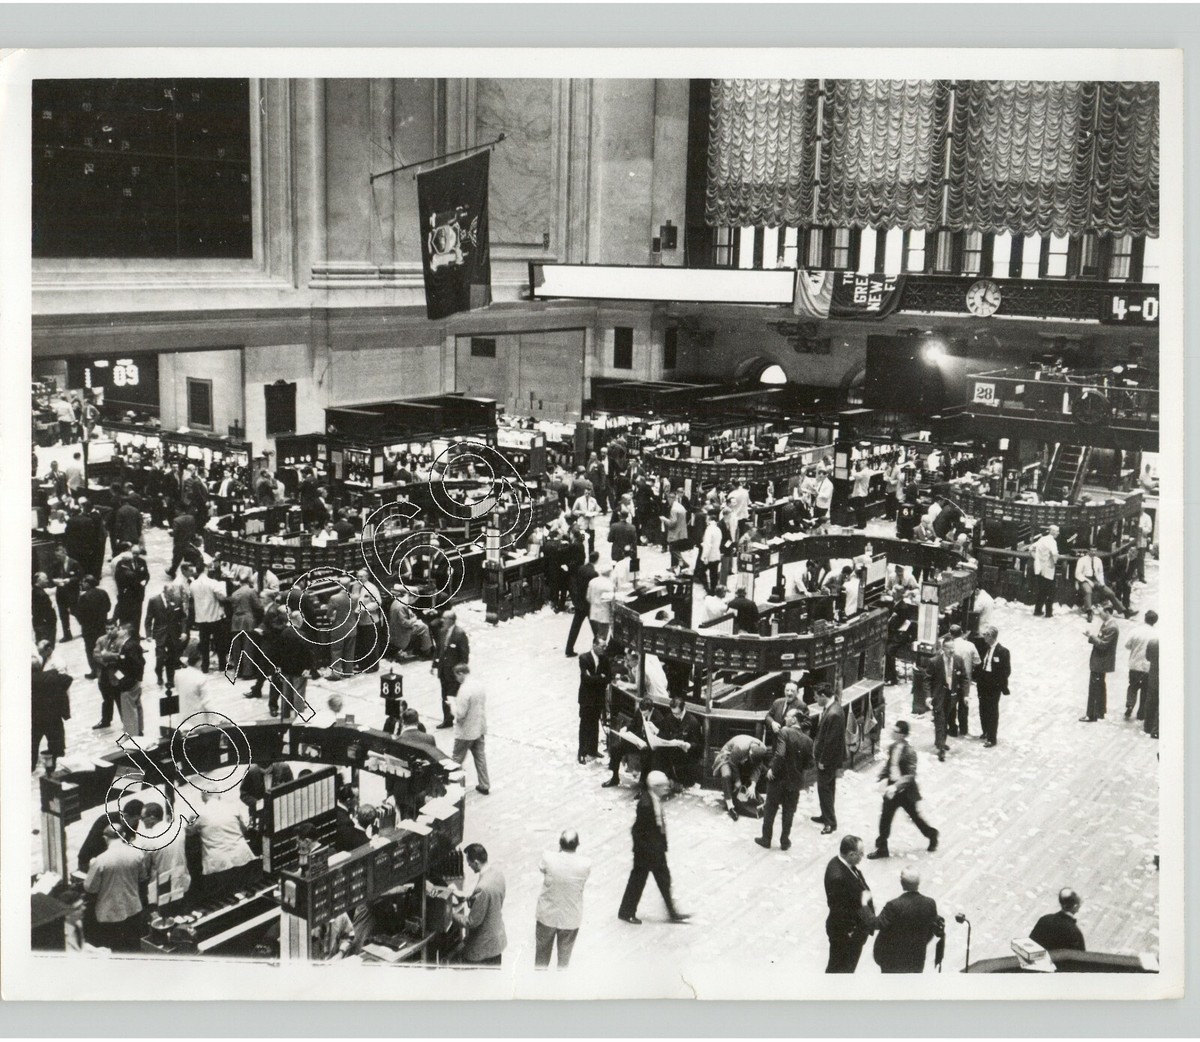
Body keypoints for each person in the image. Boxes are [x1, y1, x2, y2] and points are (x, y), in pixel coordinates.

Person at [617, 771, 689, 925]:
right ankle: (627, 912)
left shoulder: (653, 799)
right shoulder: (645, 804)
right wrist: (649, 850)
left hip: (654, 849)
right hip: (647, 851)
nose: (667, 787)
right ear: (655, 786)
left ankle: (671, 912)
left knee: (661, 879)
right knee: (639, 881)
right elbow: (639, 830)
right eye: (663, 785)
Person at [867, 721, 939, 859]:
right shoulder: (893, 747)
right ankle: (882, 847)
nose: (893, 733)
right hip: (892, 789)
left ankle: (931, 834)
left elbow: (910, 775)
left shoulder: (910, 752)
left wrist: (896, 786)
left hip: (905, 792)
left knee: (915, 817)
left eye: (896, 731)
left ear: (902, 735)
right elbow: (890, 765)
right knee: (885, 818)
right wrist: (880, 778)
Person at [754, 708, 814, 851]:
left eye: (787, 716)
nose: (785, 719)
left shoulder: (785, 732)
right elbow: (809, 764)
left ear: (794, 719)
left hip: (778, 779)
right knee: (789, 811)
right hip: (795, 781)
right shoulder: (809, 740)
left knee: (770, 809)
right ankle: (785, 841)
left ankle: (766, 838)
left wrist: (772, 770)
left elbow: (780, 754)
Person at [534, 830, 592, 970]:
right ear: (577, 844)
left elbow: (542, 868)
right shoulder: (585, 864)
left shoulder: (548, 858)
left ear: (560, 843)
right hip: (570, 917)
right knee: (564, 960)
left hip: (547, 915)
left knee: (541, 957)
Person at [83, 826, 146, 951]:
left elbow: (90, 888)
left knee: (114, 949)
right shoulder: (137, 853)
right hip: (133, 908)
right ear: (122, 834)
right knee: (134, 946)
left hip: (110, 913)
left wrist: (91, 868)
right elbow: (142, 877)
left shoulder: (100, 860)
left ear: (105, 838)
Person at [871, 868, 944, 973]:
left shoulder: (893, 905)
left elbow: (875, 924)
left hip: (892, 959)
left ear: (902, 883)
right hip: (916, 958)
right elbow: (931, 929)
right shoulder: (930, 903)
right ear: (918, 883)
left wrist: (864, 906)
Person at [188, 791, 257, 901]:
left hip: (218, 862)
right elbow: (244, 829)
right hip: (241, 856)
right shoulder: (233, 807)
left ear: (203, 797)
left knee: (222, 895)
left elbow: (189, 832)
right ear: (219, 795)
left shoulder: (197, 813)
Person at [824, 834, 876, 973]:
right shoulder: (838, 878)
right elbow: (840, 911)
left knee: (839, 967)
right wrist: (853, 932)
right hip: (846, 935)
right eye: (861, 854)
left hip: (850, 932)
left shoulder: (841, 863)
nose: (863, 856)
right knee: (842, 968)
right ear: (851, 854)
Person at [455, 843, 507, 967]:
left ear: (476, 862)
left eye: (470, 863)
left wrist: (450, 913)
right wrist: (469, 898)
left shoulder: (482, 888)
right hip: (497, 942)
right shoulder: (498, 874)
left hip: (483, 948)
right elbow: (493, 900)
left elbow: (471, 922)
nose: (468, 865)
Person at [138, 803, 192, 913]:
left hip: (162, 886)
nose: (141, 821)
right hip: (182, 878)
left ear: (152, 818)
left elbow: (145, 869)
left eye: (143, 818)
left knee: (165, 917)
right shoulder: (178, 829)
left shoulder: (148, 840)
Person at [813, 684, 847, 834]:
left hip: (828, 760)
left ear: (823, 696)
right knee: (828, 787)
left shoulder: (833, 713)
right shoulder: (834, 707)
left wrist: (823, 761)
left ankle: (830, 823)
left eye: (816, 696)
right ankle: (826, 815)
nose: (815, 699)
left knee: (824, 789)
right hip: (830, 758)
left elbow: (831, 741)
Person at [712, 733, 770, 821]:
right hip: (728, 756)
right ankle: (730, 805)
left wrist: (753, 785)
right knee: (726, 774)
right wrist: (737, 780)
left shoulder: (763, 748)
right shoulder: (740, 747)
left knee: (763, 772)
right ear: (750, 752)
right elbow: (732, 763)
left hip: (741, 758)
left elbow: (758, 766)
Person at [451, 663, 490, 795]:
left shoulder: (464, 689)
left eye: (456, 676)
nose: (456, 679)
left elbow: (461, 714)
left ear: (461, 674)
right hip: (479, 728)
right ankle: (484, 784)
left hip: (465, 732)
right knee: (480, 758)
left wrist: (452, 706)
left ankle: (455, 788)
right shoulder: (479, 685)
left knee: (456, 759)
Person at [31, 651, 71, 773]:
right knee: (56, 745)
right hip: (52, 717)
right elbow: (68, 679)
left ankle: (31, 765)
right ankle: (53, 768)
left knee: (32, 745)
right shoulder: (52, 675)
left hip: (34, 720)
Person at [144, 585, 188, 692]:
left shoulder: (177, 600)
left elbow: (183, 618)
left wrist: (183, 632)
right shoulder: (154, 600)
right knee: (160, 658)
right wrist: (148, 634)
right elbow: (149, 618)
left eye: (173, 592)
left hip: (173, 634)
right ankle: (159, 673)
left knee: (172, 658)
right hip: (160, 634)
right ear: (164, 591)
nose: (172, 595)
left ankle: (170, 680)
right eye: (170, 593)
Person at [973, 625, 1011, 747]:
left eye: (986, 635)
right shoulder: (984, 647)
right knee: (982, 707)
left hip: (994, 683)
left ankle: (992, 737)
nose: (984, 636)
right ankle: (985, 730)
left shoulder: (1003, 651)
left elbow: (1006, 670)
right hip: (983, 680)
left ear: (991, 637)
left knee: (992, 710)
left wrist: (998, 683)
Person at [1080, 603, 1119, 723]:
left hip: (1101, 661)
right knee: (1100, 686)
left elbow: (1103, 645)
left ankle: (1092, 714)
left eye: (1101, 613)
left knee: (1094, 688)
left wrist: (1091, 636)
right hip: (1101, 661)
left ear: (1107, 613)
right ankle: (1100, 711)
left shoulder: (1112, 627)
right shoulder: (1108, 624)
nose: (1100, 615)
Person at [189, 563, 229, 674]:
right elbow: (222, 597)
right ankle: (222, 664)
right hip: (214, 616)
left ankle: (205, 666)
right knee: (219, 641)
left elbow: (192, 597)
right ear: (206, 569)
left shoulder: (193, 585)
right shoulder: (213, 583)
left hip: (201, 617)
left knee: (204, 643)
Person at [434, 610, 470, 728]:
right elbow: (439, 649)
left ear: (451, 620)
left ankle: (460, 718)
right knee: (445, 696)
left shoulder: (459, 634)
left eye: (445, 618)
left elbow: (464, 654)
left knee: (454, 696)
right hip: (443, 670)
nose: (442, 620)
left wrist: (461, 672)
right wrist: (434, 664)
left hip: (454, 672)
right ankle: (447, 720)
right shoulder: (442, 631)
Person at [657, 697, 704, 789]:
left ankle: (676, 780)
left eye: (677, 714)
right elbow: (664, 733)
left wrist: (688, 745)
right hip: (671, 747)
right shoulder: (669, 717)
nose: (675, 716)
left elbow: (698, 744)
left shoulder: (693, 722)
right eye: (673, 713)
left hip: (687, 752)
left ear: (683, 709)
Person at [577, 638, 611, 764]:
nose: (604, 649)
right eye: (602, 646)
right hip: (586, 698)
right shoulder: (584, 658)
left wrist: (596, 678)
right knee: (585, 724)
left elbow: (608, 678)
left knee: (595, 723)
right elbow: (586, 679)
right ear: (594, 645)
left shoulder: (605, 659)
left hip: (598, 698)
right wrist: (600, 678)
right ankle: (582, 752)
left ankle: (592, 749)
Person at [1074, 545, 1131, 621]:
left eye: (1095, 550)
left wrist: (1102, 582)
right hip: (1085, 579)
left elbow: (1100, 573)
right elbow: (1078, 574)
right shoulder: (1082, 560)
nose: (1093, 552)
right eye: (1091, 550)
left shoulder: (1098, 560)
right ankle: (1089, 612)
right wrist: (1088, 581)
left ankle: (1124, 611)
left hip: (1096, 580)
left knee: (1110, 593)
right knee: (1088, 591)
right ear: (1088, 551)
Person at [946, 624, 980, 738]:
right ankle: (964, 728)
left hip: (952, 678)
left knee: (952, 703)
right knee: (964, 702)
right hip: (966, 678)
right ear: (961, 633)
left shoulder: (949, 646)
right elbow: (977, 661)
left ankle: (953, 728)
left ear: (951, 634)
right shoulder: (970, 645)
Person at [74, 574, 111, 679]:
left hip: (89, 629)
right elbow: (108, 607)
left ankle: (95, 671)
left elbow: (80, 615)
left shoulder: (83, 597)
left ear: (88, 583)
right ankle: (106, 668)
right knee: (104, 647)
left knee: (91, 650)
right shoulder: (103, 592)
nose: (82, 584)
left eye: (84, 582)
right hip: (102, 626)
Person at [565, 551, 600, 657]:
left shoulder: (581, 568)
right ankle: (598, 649)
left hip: (579, 602)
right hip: (588, 604)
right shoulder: (594, 573)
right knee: (596, 628)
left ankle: (569, 649)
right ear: (597, 560)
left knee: (575, 627)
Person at [112, 543, 150, 637]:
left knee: (137, 617)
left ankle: (136, 636)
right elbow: (123, 579)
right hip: (127, 596)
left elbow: (146, 574)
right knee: (126, 618)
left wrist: (145, 581)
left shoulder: (142, 562)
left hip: (139, 595)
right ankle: (127, 638)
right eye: (134, 553)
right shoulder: (122, 564)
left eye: (137, 553)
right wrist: (138, 582)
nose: (135, 556)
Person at [48, 544, 83, 643]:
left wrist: (70, 580)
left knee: (75, 611)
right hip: (61, 592)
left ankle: (85, 627)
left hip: (72, 592)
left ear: (64, 553)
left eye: (59, 556)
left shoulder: (74, 563)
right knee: (63, 614)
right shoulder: (56, 564)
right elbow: (52, 576)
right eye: (57, 556)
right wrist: (55, 581)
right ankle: (67, 634)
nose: (58, 558)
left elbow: (80, 576)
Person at [387, 589, 433, 660]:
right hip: (401, 631)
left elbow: (405, 614)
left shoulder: (398, 600)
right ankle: (427, 652)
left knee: (421, 626)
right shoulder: (402, 606)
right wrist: (414, 619)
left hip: (395, 628)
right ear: (412, 597)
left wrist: (411, 616)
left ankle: (422, 649)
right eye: (415, 600)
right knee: (424, 627)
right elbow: (405, 623)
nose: (414, 602)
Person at [1032, 525, 1061, 617]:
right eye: (1057, 531)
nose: (1058, 533)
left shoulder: (1042, 539)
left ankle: (1038, 610)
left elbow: (1031, 548)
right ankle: (1049, 613)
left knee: (1041, 591)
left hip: (1040, 568)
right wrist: (1054, 562)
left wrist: (1038, 559)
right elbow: (1055, 554)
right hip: (1049, 569)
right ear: (1052, 531)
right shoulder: (1052, 542)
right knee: (1050, 592)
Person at [661, 492, 691, 569]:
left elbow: (672, 523)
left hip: (675, 532)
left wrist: (664, 519)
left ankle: (683, 563)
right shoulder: (680, 506)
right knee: (675, 548)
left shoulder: (674, 509)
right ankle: (674, 566)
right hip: (682, 531)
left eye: (668, 499)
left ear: (671, 499)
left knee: (672, 549)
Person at [586, 563, 615, 642]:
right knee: (603, 635)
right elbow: (611, 601)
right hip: (604, 614)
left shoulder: (592, 581)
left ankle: (596, 647)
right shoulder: (609, 584)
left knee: (597, 634)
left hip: (593, 612)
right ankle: (599, 650)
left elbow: (588, 597)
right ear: (609, 572)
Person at [698, 511, 723, 592]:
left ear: (710, 520)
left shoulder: (709, 530)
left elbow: (708, 545)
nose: (705, 521)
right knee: (714, 575)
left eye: (707, 519)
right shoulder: (718, 529)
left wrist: (705, 557)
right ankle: (713, 591)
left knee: (701, 573)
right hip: (716, 554)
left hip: (709, 556)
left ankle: (707, 589)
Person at [848, 460, 875, 529]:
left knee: (859, 510)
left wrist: (853, 466)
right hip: (863, 492)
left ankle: (861, 525)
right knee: (861, 509)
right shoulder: (866, 471)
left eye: (862, 463)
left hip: (860, 493)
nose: (860, 464)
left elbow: (854, 475)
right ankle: (862, 524)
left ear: (865, 464)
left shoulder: (864, 472)